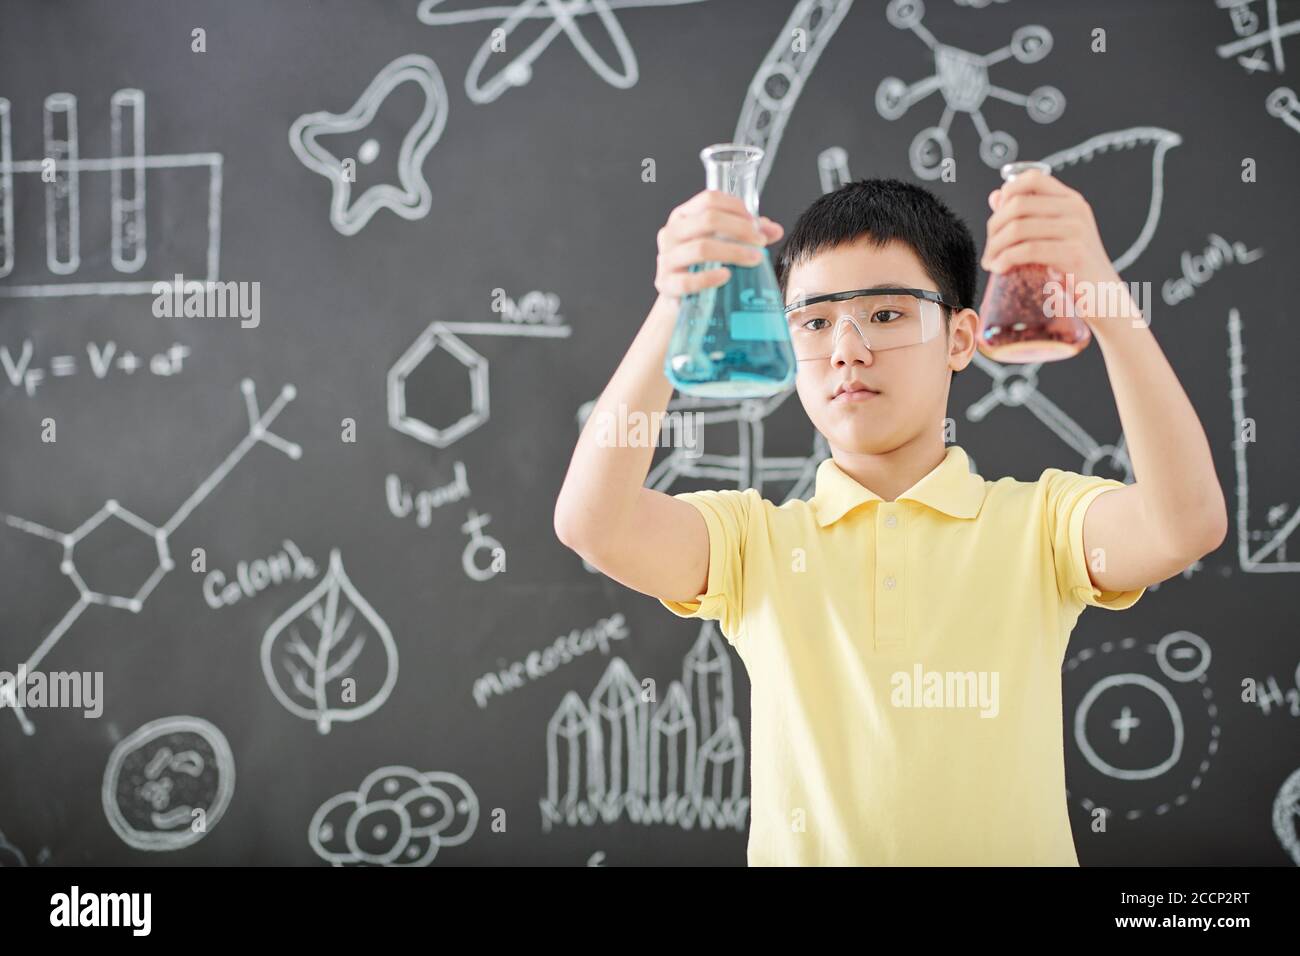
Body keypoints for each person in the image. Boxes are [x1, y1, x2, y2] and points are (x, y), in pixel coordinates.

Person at [552, 172, 1228, 866]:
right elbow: (593, 525)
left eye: (886, 314)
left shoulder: (1041, 527)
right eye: (814, 321)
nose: (847, 348)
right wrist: (680, 304)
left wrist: (1108, 304)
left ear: (962, 338)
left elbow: (1186, 525)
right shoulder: (754, 544)